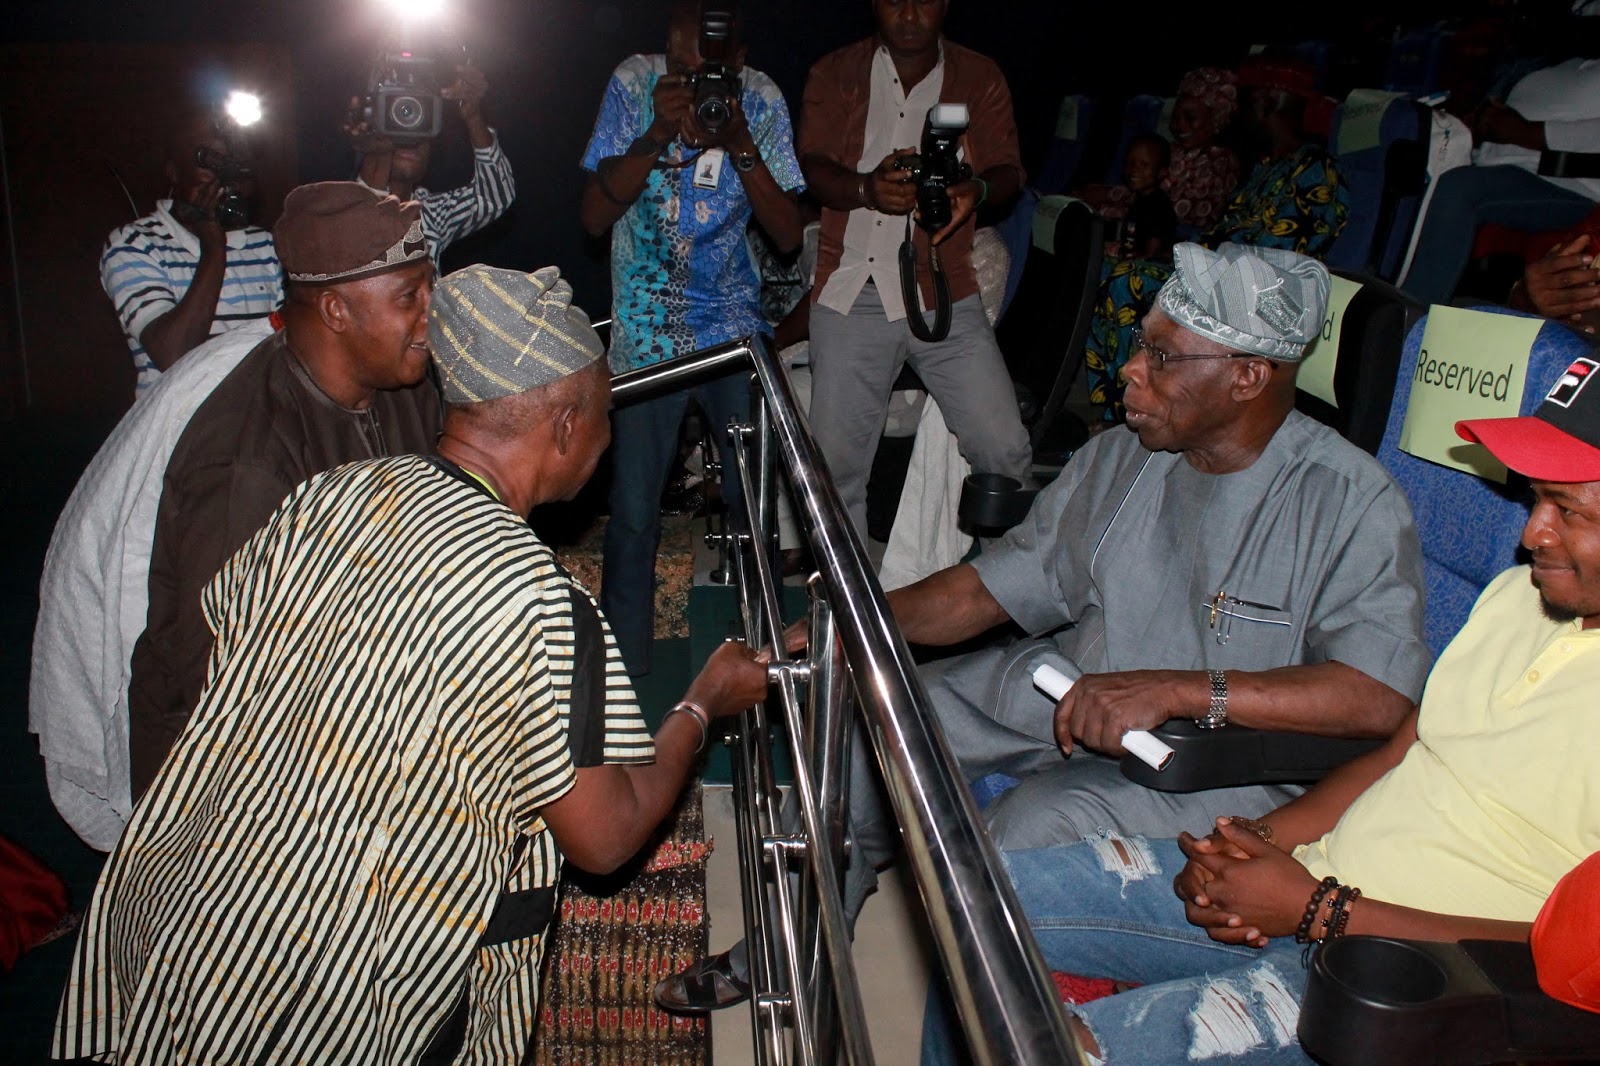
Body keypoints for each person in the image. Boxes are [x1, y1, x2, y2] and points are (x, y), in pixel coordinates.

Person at [658, 243, 1431, 1013]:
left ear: (1247, 376)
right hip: (1071, 685)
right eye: (1141, 345)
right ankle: (785, 944)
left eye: (1163, 357)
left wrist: (1178, 690)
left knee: (1006, 848)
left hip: (1211, 762)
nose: (1130, 370)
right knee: (867, 723)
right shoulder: (1123, 458)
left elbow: (1379, 699)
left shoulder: (1347, 502)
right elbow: (986, 590)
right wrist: (854, 620)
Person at [51, 265, 772, 1064]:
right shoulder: (537, 600)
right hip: (320, 996)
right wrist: (704, 701)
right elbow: (605, 837)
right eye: (606, 414)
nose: (610, 438)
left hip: (183, 913)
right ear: (567, 425)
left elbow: (239, 649)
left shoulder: (325, 496)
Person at [922, 358, 1600, 1064]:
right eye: (1536, 501)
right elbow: (1401, 754)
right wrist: (1260, 840)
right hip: (1313, 883)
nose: (1532, 534)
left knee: (1051, 1048)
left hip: (1422, 986)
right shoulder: (1518, 598)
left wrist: (1323, 912)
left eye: (1569, 511)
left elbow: (1567, 967)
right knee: (969, 910)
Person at [122, 182, 443, 802]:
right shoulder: (249, 464)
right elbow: (217, 682)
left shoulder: (404, 391)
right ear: (336, 311)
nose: (432, 314)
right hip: (230, 777)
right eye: (410, 297)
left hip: (340, 703)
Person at [580, 0, 804, 675]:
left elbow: (789, 235)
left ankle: (764, 660)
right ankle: (625, 675)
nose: (694, 80)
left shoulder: (760, 98)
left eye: (710, 69)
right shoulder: (633, 84)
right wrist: (655, 131)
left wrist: (739, 141)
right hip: (646, 327)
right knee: (633, 512)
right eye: (681, 65)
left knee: (752, 505)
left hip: (733, 325)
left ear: (739, 59)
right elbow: (593, 217)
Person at [797, 0, 1034, 542]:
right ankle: (849, 596)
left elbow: (1008, 170)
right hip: (853, 288)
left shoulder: (979, 75)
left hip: (946, 292)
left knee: (1004, 448)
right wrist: (866, 188)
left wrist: (974, 191)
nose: (908, 12)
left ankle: (1007, 578)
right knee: (834, 474)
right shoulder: (835, 72)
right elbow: (813, 164)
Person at [1087, 60, 1350, 421]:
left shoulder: (1316, 171)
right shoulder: (1265, 167)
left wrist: (1197, 263)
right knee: (1108, 269)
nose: (1238, 115)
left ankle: (1133, 413)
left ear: (1268, 103)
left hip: (1256, 294)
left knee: (1127, 281)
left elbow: (1279, 261)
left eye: (1246, 104)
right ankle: (1120, 408)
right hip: (1217, 275)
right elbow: (1223, 235)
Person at [100, 111, 283, 392]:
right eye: (209, 161)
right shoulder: (134, 243)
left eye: (231, 163)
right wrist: (213, 248)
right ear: (174, 171)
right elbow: (173, 354)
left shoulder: (263, 245)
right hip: (182, 419)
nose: (221, 177)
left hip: (254, 417)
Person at [1401, 57, 1600, 307]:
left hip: (1565, 183)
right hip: (1493, 154)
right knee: (1406, 154)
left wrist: (1529, 132)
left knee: (1460, 189)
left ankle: (1411, 314)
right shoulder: (1560, 62)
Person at [346, 59, 516, 263]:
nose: (412, 140)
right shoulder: (340, 207)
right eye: (399, 124)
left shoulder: (431, 212)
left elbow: (495, 197)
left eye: (421, 128)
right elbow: (366, 226)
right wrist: (378, 153)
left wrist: (473, 116)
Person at [1165, 66, 1241, 236]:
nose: (1179, 125)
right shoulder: (1171, 150)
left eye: (1191, 118)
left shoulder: (1220, 163)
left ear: (1216, 119)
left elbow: (1175, 213)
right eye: (1175, 117)